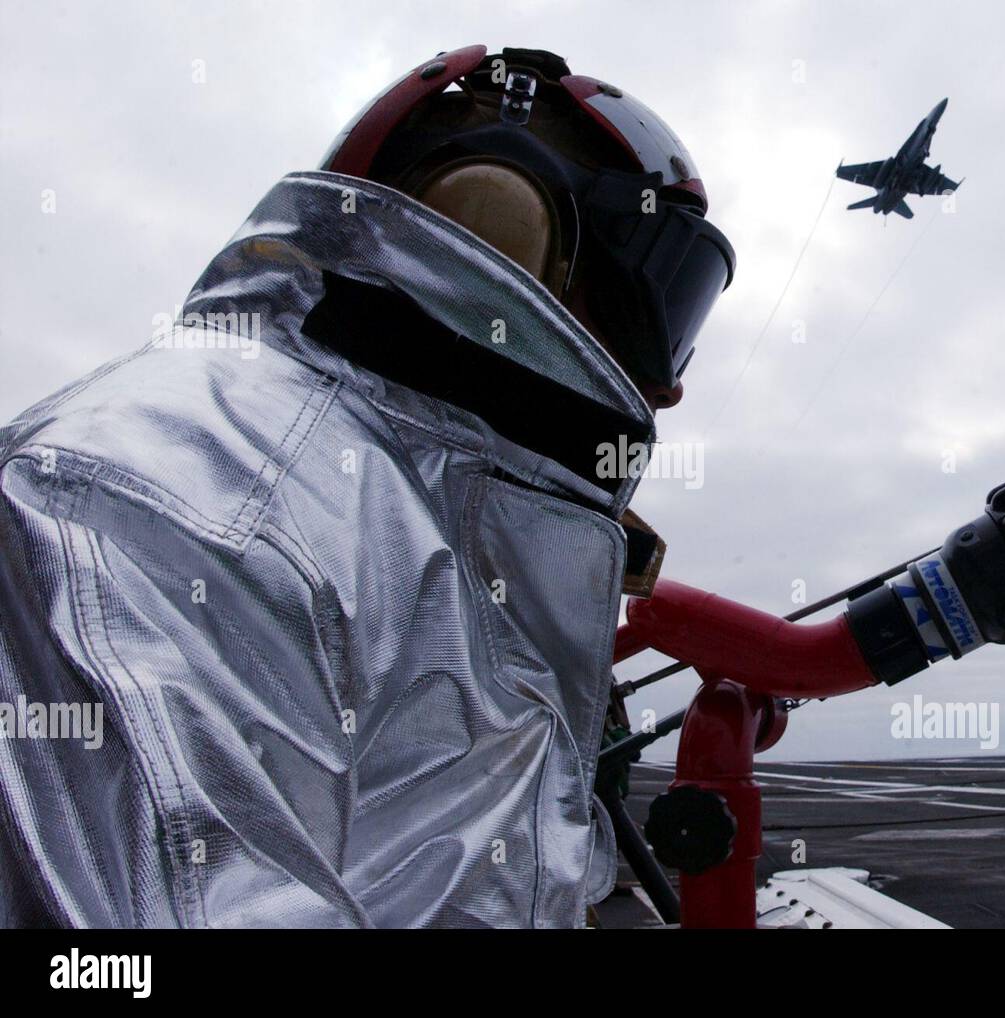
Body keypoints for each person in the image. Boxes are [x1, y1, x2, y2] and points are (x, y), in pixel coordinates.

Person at [0, 46, 734, 928]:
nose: (667, 387)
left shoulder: (431, 519)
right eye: (662, 304)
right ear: (500, 223)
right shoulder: (149, 508)